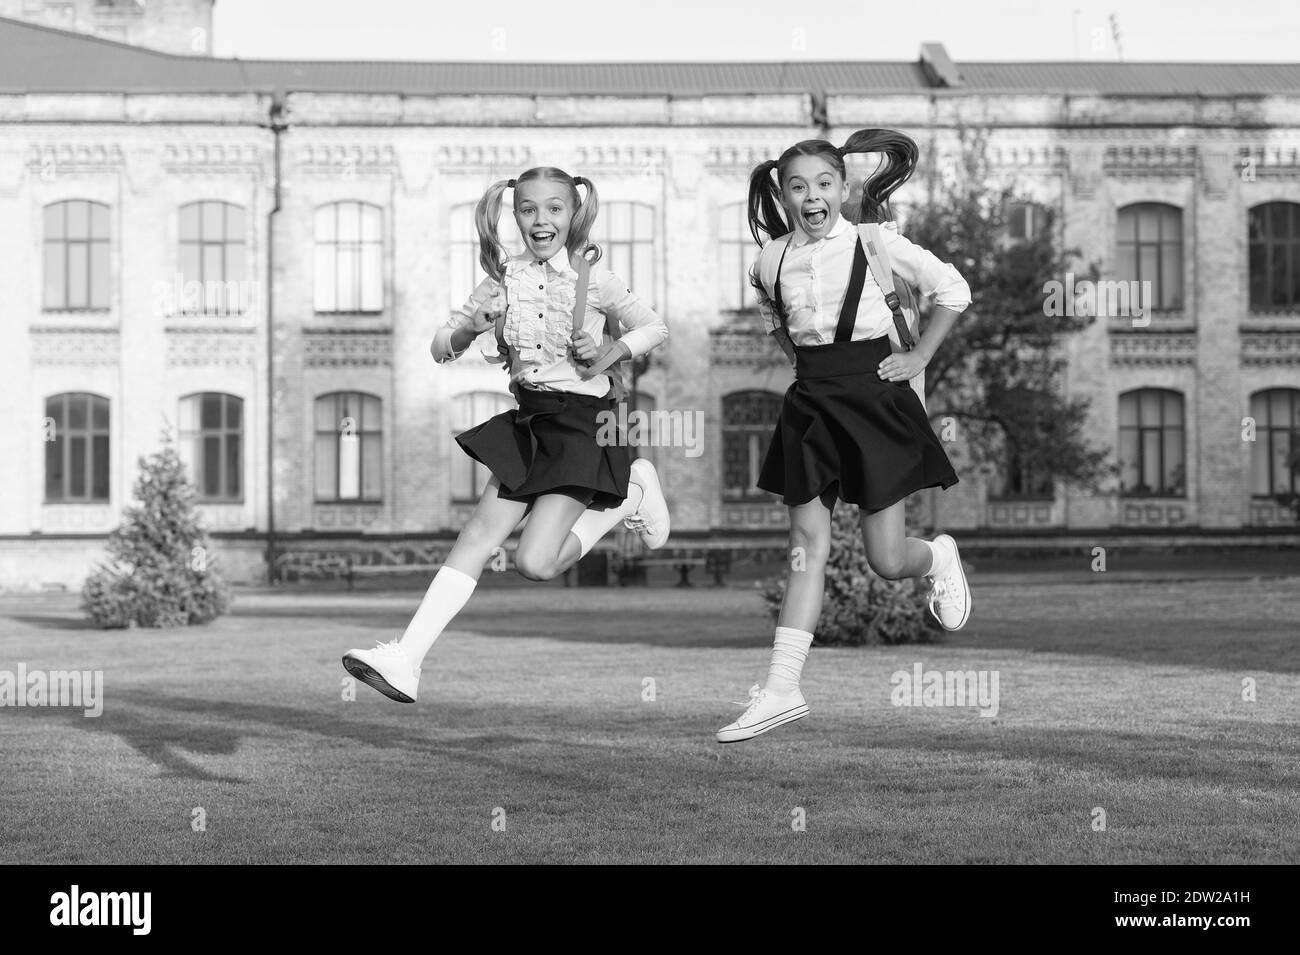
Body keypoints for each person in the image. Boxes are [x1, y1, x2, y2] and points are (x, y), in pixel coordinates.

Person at [343, 166, 669, 703]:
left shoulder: (597, 280)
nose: (541, 220)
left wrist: (609, 352)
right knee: (475, 538)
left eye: (554, 209)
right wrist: (473, 326)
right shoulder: (501, 280)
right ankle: (407, 659)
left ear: (573, 213)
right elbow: (439, 346)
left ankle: (628, 492)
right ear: (514, 215)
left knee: (534, 564)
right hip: (529, 419)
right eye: (528, 209)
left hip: (581, 425)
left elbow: (655, 327)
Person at [717, 129, 972, 744]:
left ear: (844, 188)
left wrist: (919, 360)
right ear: (782, 195)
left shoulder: (875, 241)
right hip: (811, 402)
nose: (812, 196)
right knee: (806, 543)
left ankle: (938, 555)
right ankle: (782, 689)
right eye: (798, 186)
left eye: (824, 184)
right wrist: (810, 369)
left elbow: (953, 291)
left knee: (887, 561)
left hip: (875, 395)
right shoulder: (769, 259)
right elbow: (781, 325)